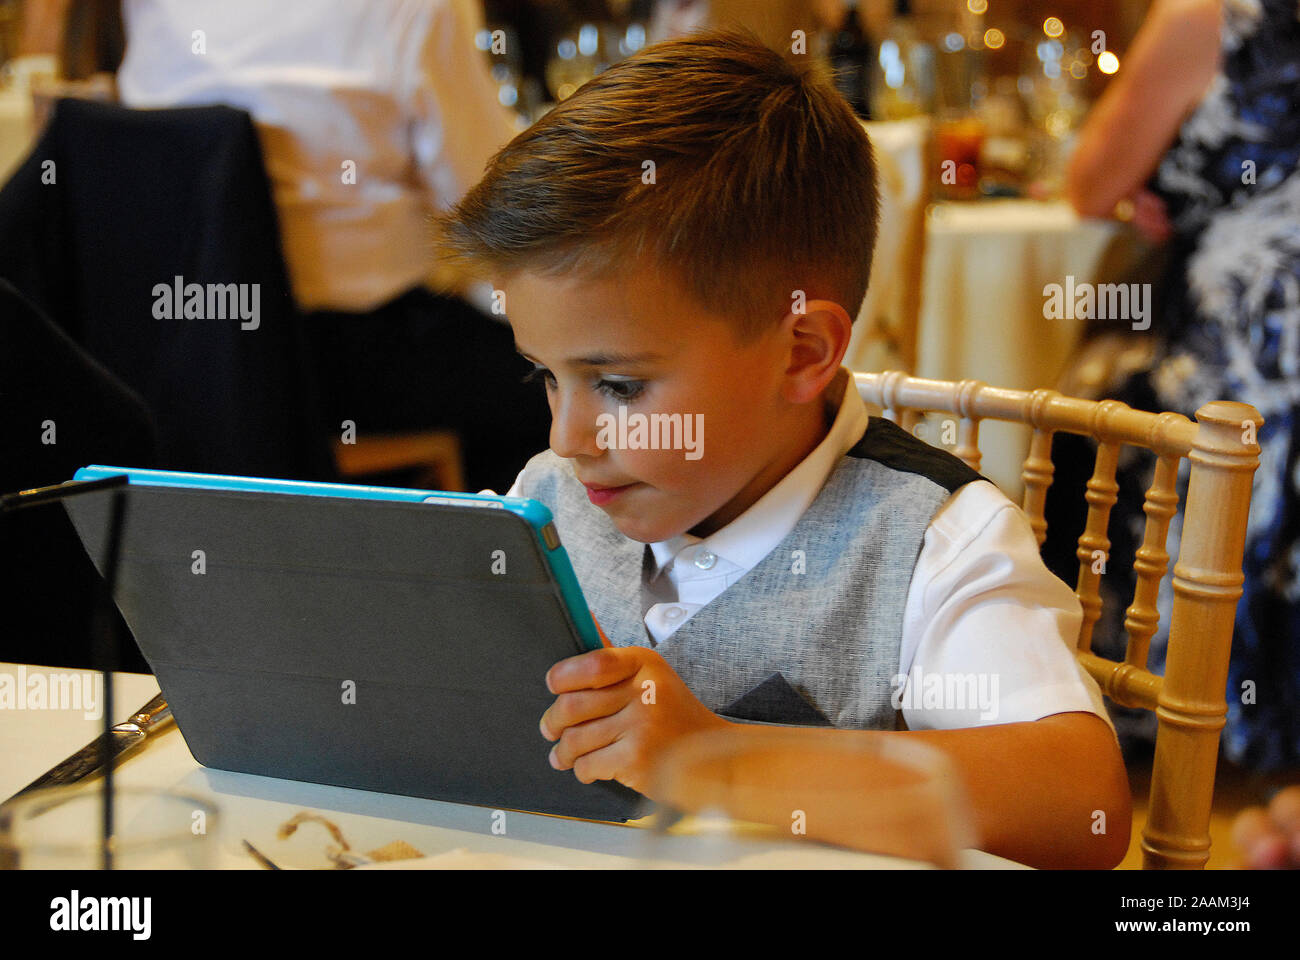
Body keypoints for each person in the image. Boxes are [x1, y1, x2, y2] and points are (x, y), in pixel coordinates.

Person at [441, 29, 1131, 869]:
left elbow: (1079, 805)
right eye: (544, 376)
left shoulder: (928, 542)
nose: (567, 439)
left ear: (803, 352)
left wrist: (721, 757)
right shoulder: (546, 501)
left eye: (619, 386)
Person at [114, 0, 550, 493]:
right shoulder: (418, 9)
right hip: (345, 362)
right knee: (563, 384)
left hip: (168, 356)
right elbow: (488, 209)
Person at [1066, 0, 1300, 771]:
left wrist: (1149, 192)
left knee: (1102, 418)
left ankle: (1177, 716)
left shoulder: (1210, 18)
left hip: (1243, 344)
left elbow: (1089, 186)